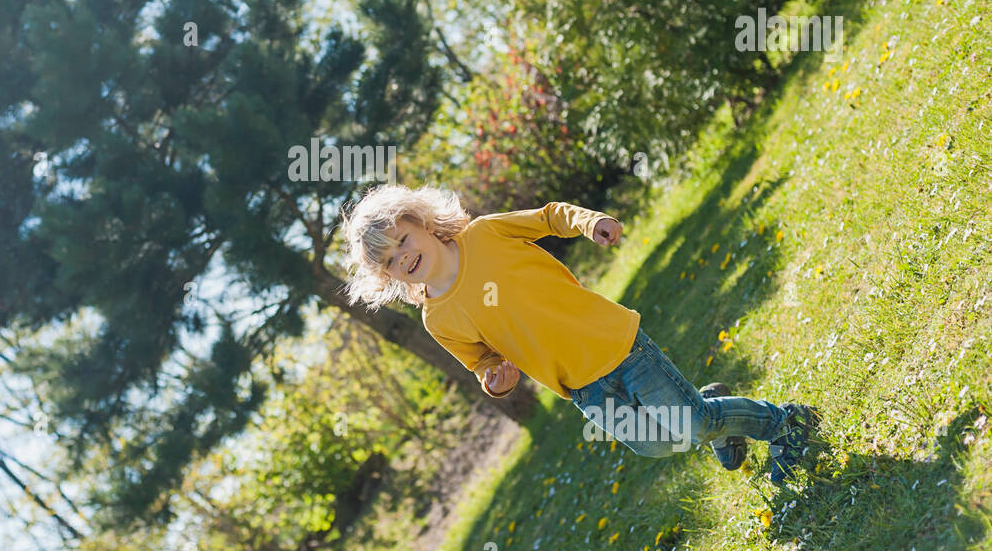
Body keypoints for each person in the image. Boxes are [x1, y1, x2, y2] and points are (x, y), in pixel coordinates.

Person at [340, 183, 820, 484]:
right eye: (389, 261)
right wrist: (495, 380)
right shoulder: (436, 320)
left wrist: (591, 223)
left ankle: (784, 423)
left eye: (403, 240)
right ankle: (713, 413)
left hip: (616, 345)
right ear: (386, 277)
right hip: (581, 387)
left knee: (690, 425)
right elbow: (480, 361)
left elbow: (549, 217)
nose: (403, 256)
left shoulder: (484, 235)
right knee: (656, 443)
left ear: (422, 223)